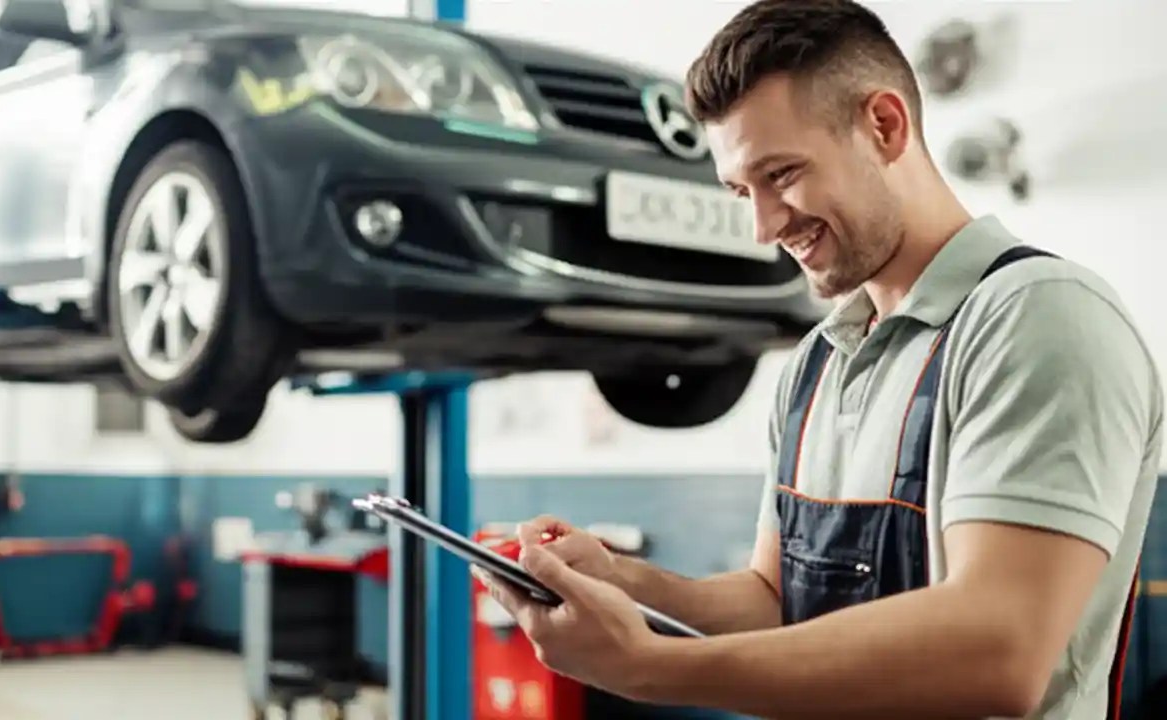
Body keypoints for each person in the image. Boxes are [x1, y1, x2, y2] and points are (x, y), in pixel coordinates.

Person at [474, 1, 1164, 718]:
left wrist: (652, 667)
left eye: (783, 174)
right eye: (744, 190)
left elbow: (1001, 650)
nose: (764, 225)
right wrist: (627, 583)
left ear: (884, 126)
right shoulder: (817, 363)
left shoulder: (1037, 318)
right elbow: (778, 601)